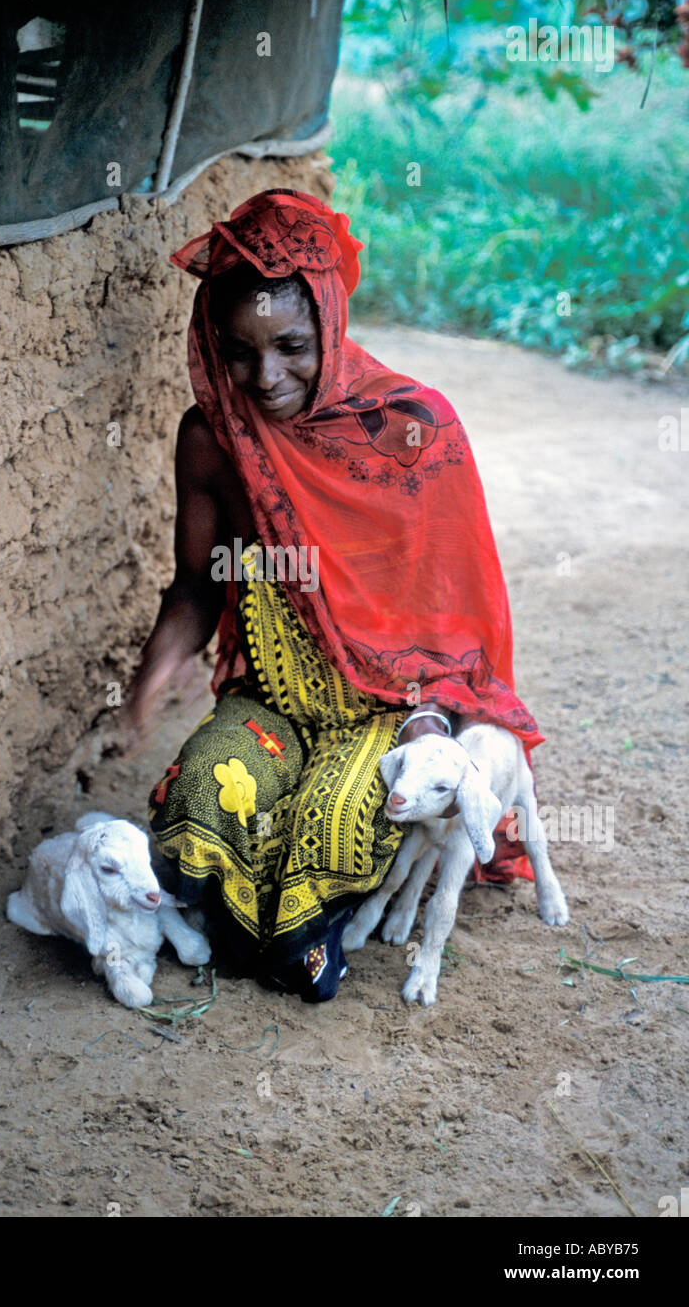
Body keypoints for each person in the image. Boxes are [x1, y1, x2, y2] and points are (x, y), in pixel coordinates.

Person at [124, 188, 541, 1002]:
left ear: (331, 326)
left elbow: (455, 620)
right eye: (238, 352)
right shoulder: (211, 437)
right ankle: (248, 923)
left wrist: (429, 719)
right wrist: (155, 669)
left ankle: (300, 939)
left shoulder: (413, 430)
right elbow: (199, 583)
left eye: (290, 346)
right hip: (273, 699)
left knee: (342, 821)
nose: (264, 376)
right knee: (203, 802)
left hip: (386, 711)